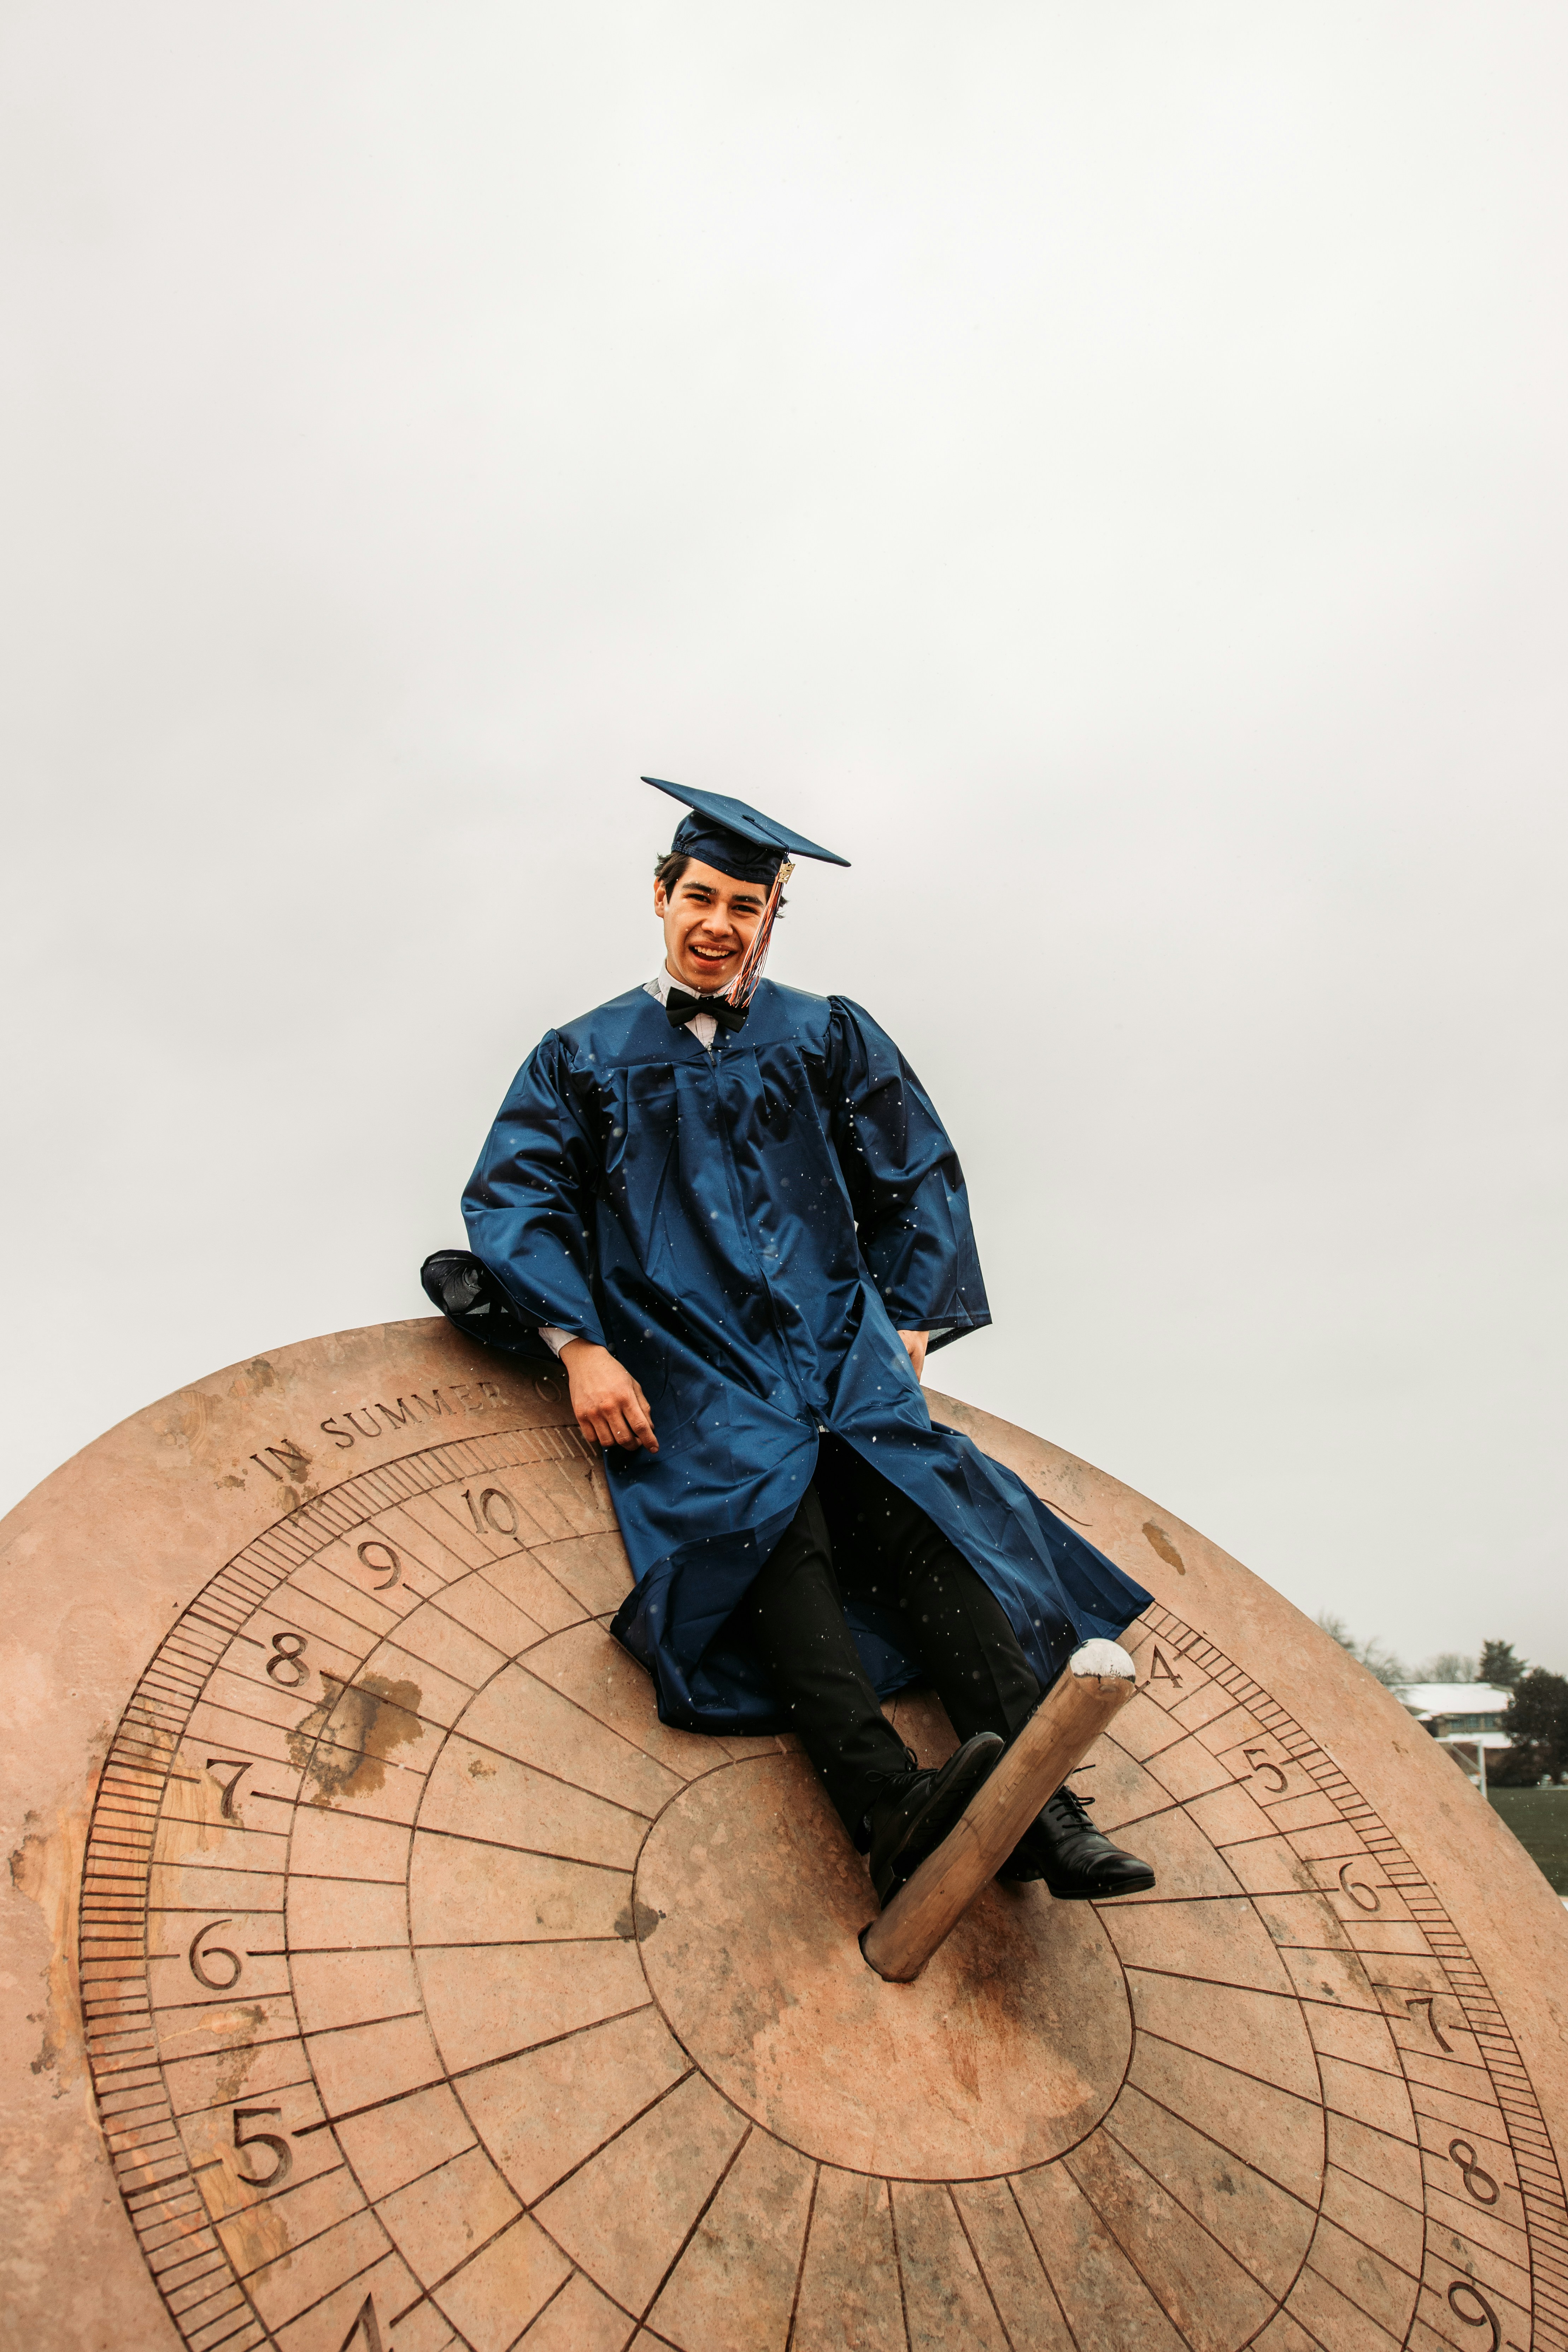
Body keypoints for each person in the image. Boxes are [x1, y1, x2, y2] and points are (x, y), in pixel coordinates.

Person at [424, 777, 1156, 1905]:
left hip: (833, 1345)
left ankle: (1042, 1808)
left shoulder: (824, 1035)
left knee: (929, 1535)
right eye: (700, 898)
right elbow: (516, 1201)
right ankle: (887, 1802)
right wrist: (579, 1345)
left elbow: (915, 1171)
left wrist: (911, 1317)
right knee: (774, 1541)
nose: (718, 925)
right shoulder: (580, 1057)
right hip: (689, 1359)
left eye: (744, 907)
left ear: (774, 917)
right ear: (660, 897)